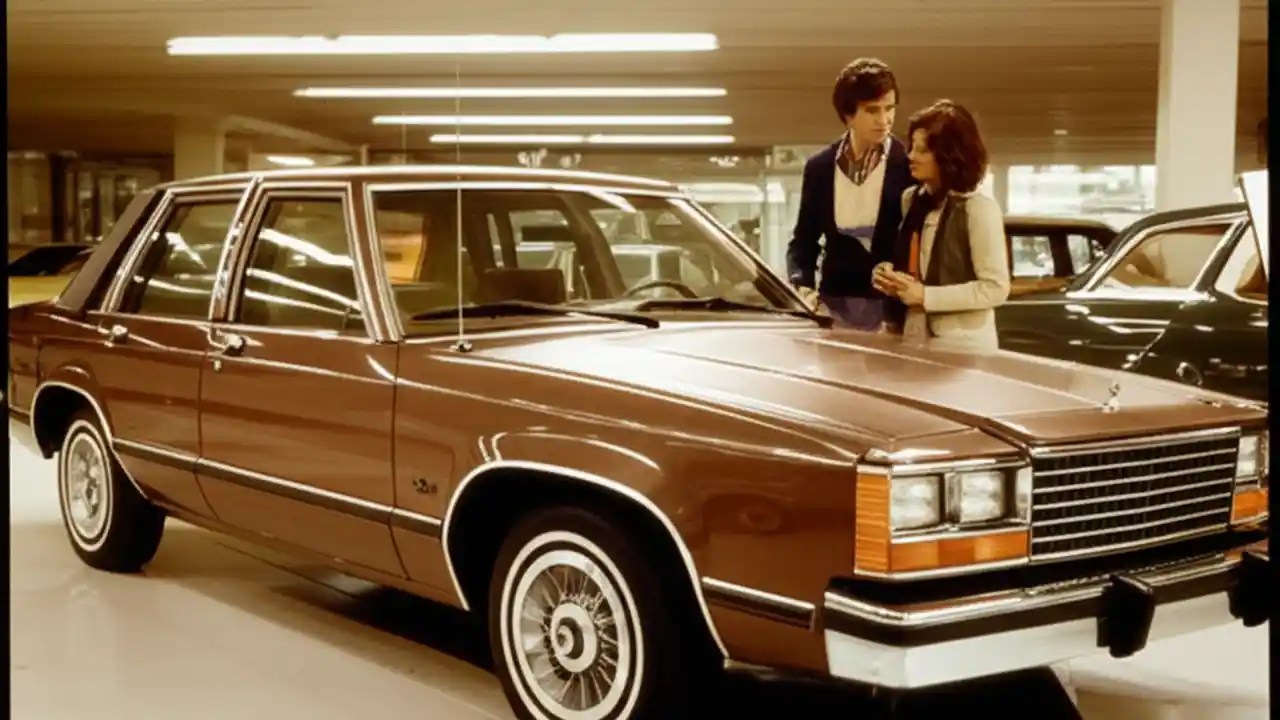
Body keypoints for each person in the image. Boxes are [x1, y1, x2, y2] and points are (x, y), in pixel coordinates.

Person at [786, 57, 916, 330]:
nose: (884, 120)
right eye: (872, 110)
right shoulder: (820, 167)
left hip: (892, 308)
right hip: (834, 303)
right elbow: (804, 240)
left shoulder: (908, 166)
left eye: (889, 109)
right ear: (848, 115)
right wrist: (802, 287)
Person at [873, 99, 1010, 352]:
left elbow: (995, 288)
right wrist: (891, 277)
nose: (911, 156)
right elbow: (915, 265)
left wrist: (926, 296)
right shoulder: (912, 200)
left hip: (963, 347)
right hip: (912, 337)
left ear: (948, 157)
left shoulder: (978, 209)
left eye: (922, 150)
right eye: (912, 147)